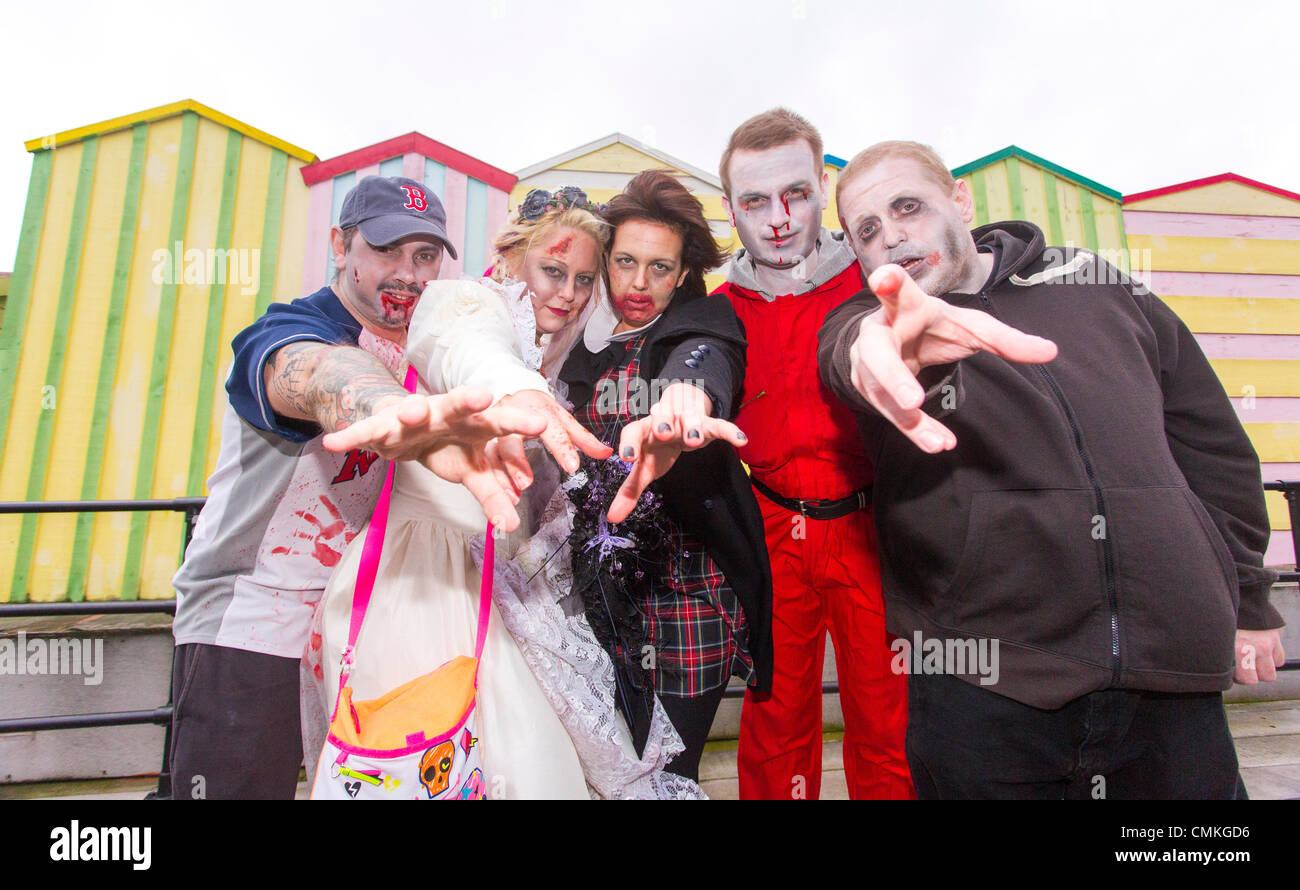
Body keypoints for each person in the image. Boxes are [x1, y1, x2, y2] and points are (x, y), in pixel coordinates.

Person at [817, 140, 1287, 799]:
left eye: (907, 207)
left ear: (960, 199)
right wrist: (881, 350)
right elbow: (849, 358)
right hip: (986, 692)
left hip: (1170, 680)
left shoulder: (1098, 283)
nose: (891, 237)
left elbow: (1212, 443)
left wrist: (1249, 595)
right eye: (866, 230)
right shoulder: (863, 327)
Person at [168, 175, 569, 800]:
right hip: (256, 619)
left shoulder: (424, 344)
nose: (407, 272)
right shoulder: (292, 329)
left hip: (361, 623)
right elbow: (314, 372)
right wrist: (385, 408)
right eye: (387, 250)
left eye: (426, 255)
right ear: (339, 244)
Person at [309, 188, 702, 798]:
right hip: (424, 586)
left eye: (582, 278)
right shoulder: (463, 302)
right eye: (551, 270)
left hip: (506, 585)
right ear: (512, 257)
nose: (567, 293)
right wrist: (515, 389)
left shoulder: (556, 362)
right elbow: (465, 346)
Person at [711, 109, 912, 800]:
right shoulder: (717, 311)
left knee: (891, 720)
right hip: (772, 531)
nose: (778, 218)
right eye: (755, 200)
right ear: (730, 207)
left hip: (873, 526)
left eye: (795, 193)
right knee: (774, 722)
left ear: (823, 186)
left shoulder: (875, 279)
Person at [559, 170, 773, 782]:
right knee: (605, 767)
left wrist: (688, 398)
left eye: (660, 267)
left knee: (671, 772)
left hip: (687, 598)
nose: (639, 283)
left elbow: (704, 359)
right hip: (595, 599)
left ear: (682, 275)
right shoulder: (580, 342)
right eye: (625, 261)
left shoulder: (703, 321)